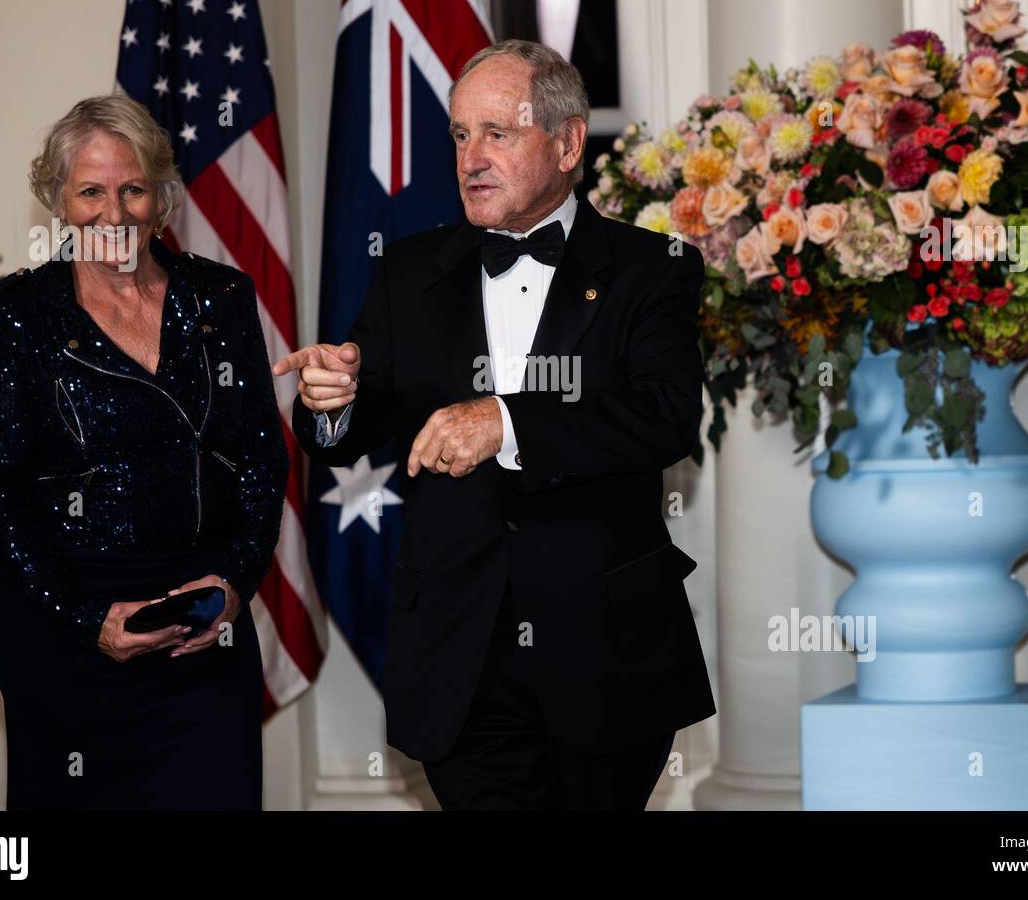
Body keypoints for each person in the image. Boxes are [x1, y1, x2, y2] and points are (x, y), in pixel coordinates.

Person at [276, 40, 715, 809]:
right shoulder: (409, 273)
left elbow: (664, 418)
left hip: (605, 652)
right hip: (459, 657)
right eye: (458, 136)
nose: (470, 158)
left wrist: (507, 423)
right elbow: (347, 428)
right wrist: (329, 401)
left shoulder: (653, 268)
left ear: (569, 142)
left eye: (497, 134)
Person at [0, 94, 288, 809]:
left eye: (133, 188)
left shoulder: (221, 296)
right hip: (66, 634)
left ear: (161, 197)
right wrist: (86, 618)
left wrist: (234, 583)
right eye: (91, 191)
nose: (115, 213)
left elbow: (262, 456)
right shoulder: (17, 315)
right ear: (58, 201)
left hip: (201, 631)